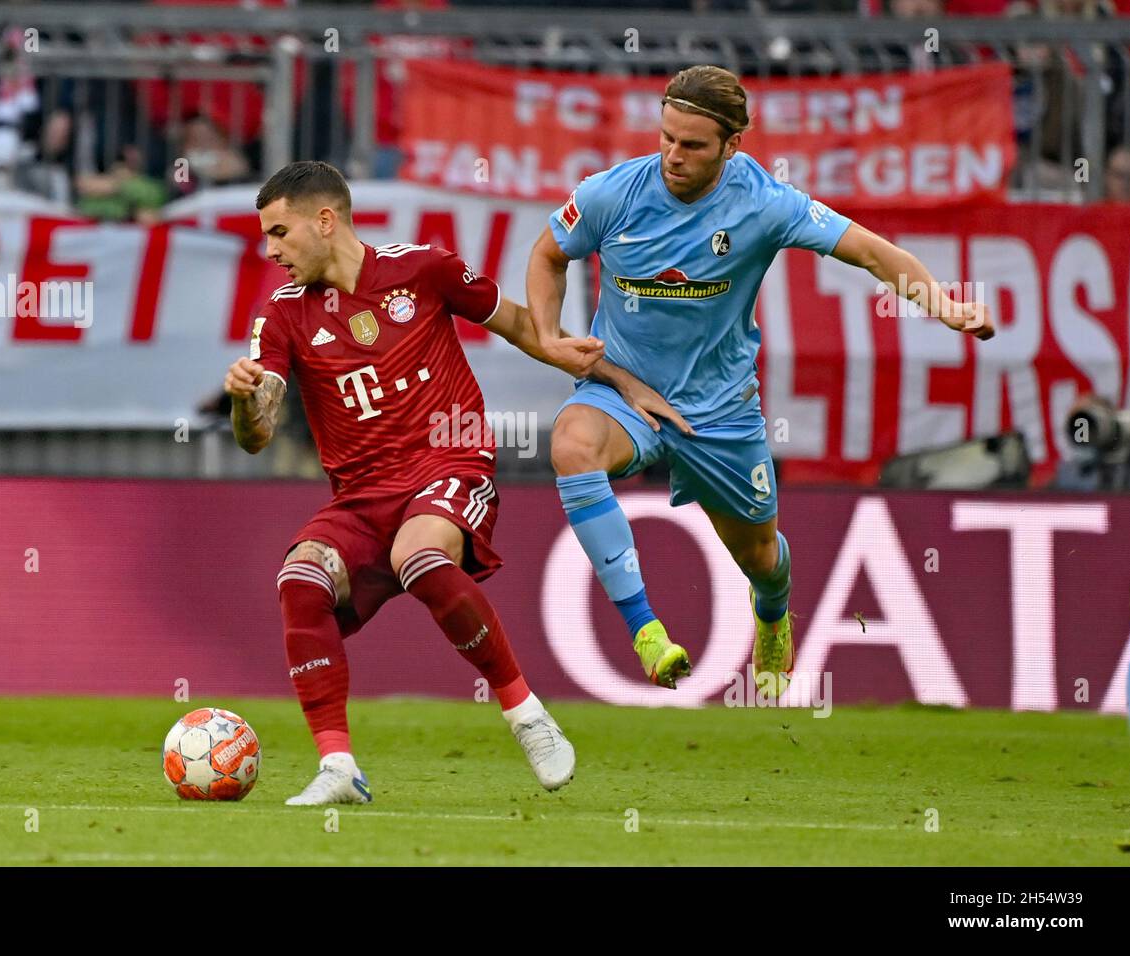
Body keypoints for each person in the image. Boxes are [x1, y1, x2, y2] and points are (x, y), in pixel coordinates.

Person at [526, 65, 995, 694]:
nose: (673, 155)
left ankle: (772, 612)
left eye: (692, 145)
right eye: (666, 137)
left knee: (761, 558)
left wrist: (945, 304)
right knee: (571, 444)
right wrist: (552, 336)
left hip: (720, 411)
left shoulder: (766, 204)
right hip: (624, 393)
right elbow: (548, 254)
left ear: (732, 145)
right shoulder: (613, 194)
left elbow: (874, 253)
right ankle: (646, 631)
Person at [226, 160, 635, 805]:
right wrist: (247, 401)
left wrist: (558, 350)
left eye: (279, 232)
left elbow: (519, 323)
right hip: (360, 498)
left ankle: (527, 715)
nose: (271, 250)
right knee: (299, 580)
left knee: (418, 555)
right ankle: (338, 768)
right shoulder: (281, 317)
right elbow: (258, 431)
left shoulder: (424, 268)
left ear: (325, 220)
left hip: (448, 464)